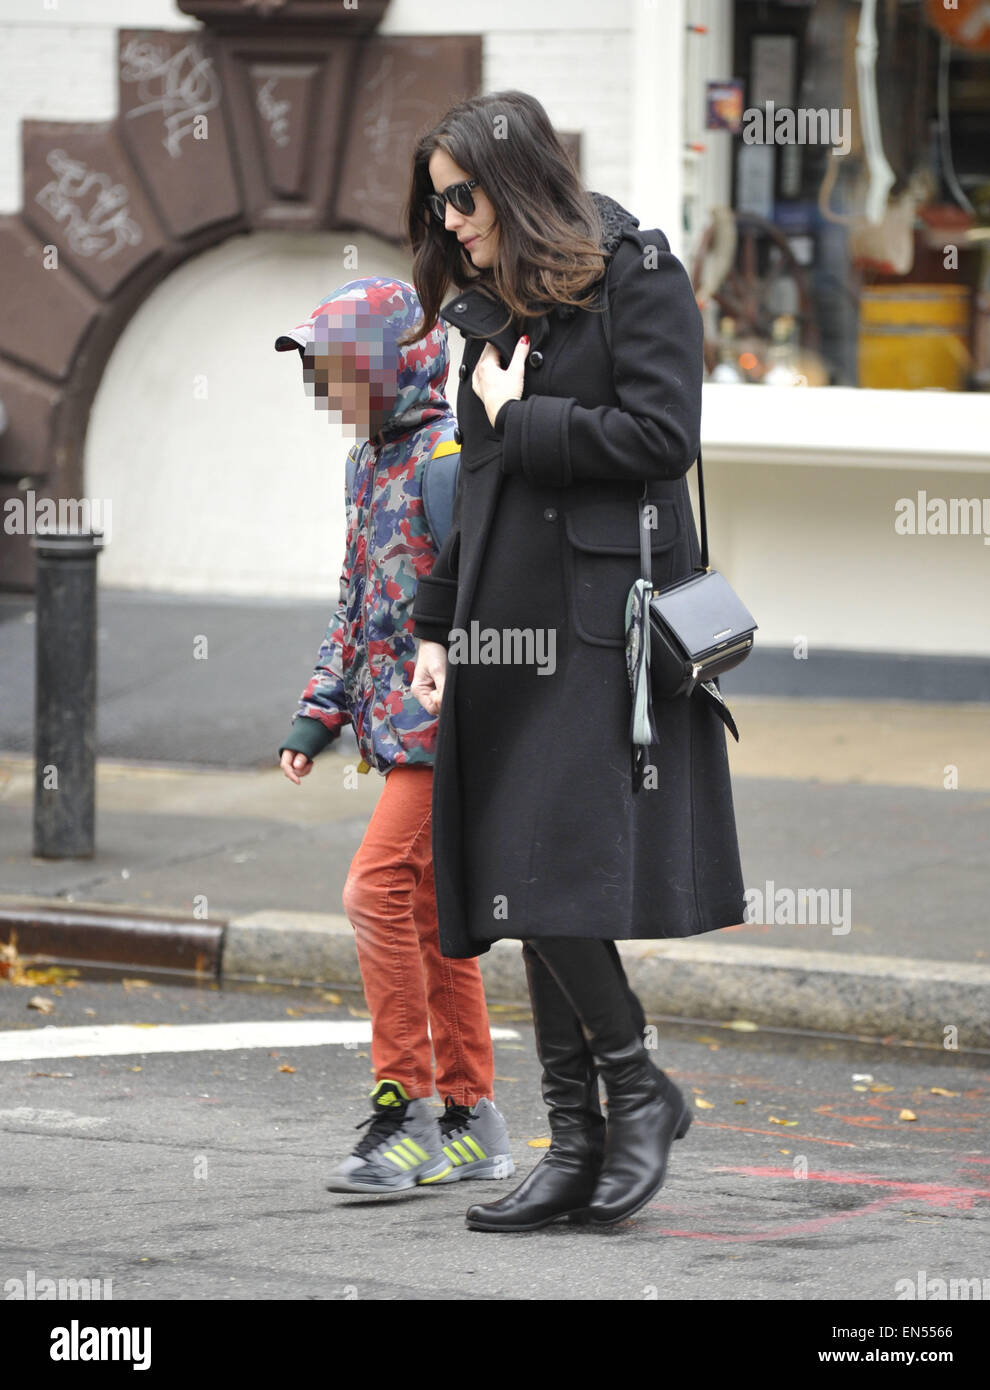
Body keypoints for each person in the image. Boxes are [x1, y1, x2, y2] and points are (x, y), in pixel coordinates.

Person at [404, 92, 748, 1231]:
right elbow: (480, 482)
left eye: (464, 196)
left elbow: (663, 436)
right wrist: (433, 626)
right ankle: (577, 1139)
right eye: (438, 201)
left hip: (601, 626)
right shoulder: (488, 308)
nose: (450, 219)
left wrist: (525, 415)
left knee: (544, 864)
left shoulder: (635, 269)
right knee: (516, 870)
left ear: (515, 184)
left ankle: (638, 1083)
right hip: (505, 627)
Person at [274, 277, 513, 1194]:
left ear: (396, 367)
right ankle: (471, 1119)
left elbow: (485, 605)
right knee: (425, 919)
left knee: (373, 891)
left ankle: (403, 1111)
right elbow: (354, 604)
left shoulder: (452, 463)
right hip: (393, 732)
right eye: (321, 378)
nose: (329, 395)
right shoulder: (365, 466)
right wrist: (318, 712)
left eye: (340, 374)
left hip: (447, 733)